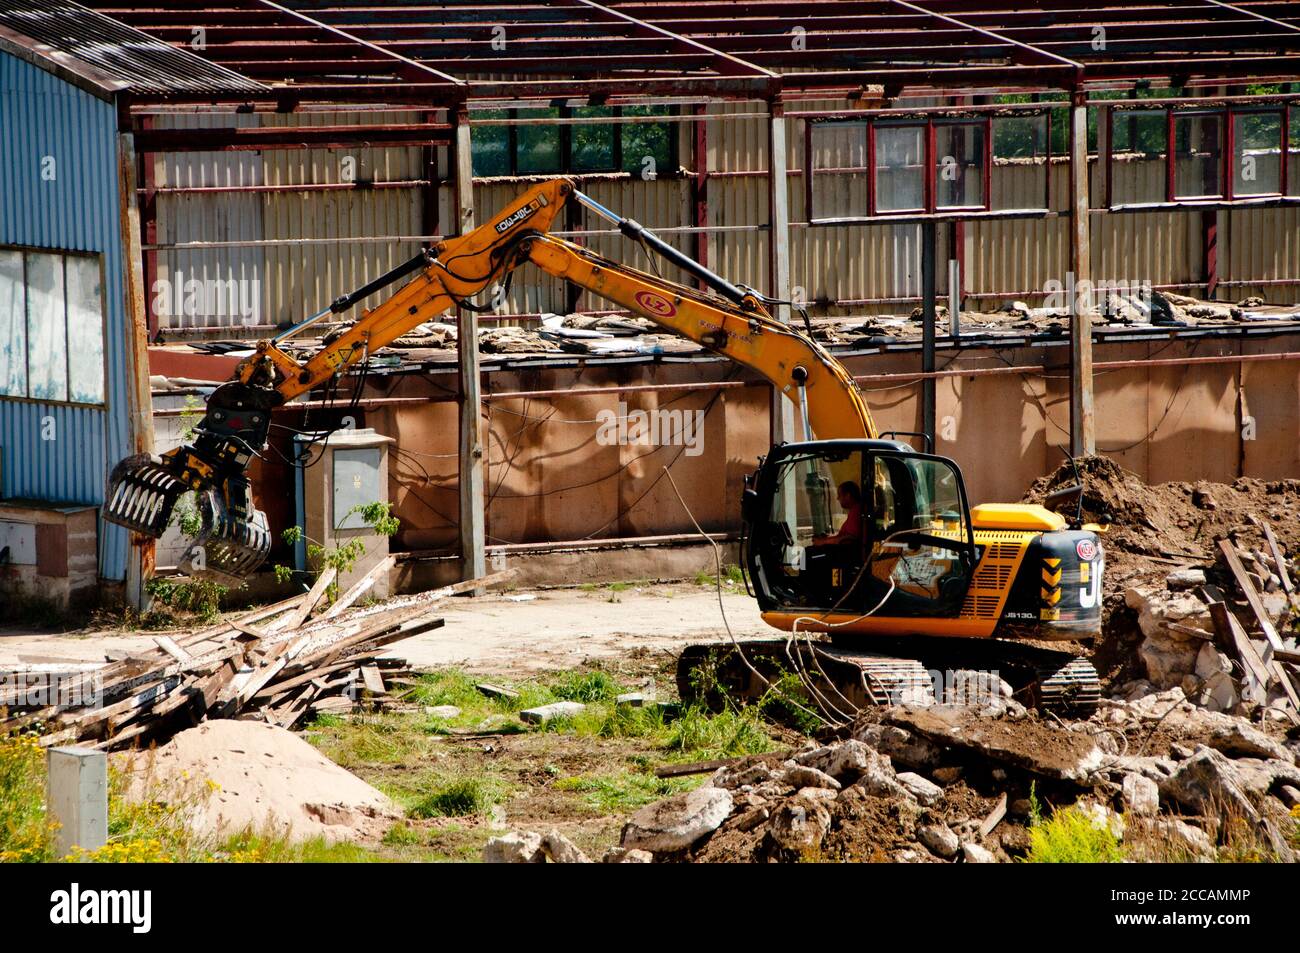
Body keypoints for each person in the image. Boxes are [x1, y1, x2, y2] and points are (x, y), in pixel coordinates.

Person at [812, 481, 863, 547]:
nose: (837, 498)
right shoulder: (854, 510)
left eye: (839, 495)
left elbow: (850, 538)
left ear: (848, 496)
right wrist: (828, 537)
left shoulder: (856, 512)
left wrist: (822, 542)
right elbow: (843, 536)